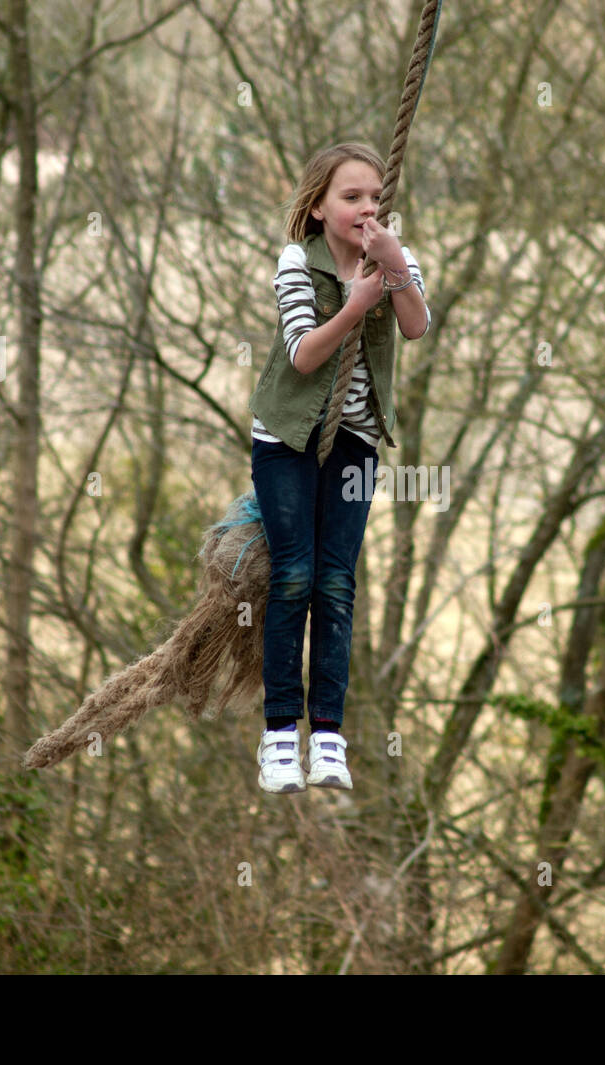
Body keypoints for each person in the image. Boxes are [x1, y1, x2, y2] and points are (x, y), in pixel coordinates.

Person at [247, 142, 430, 793]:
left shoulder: (393, 258)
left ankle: (327, 735)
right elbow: (301, 355)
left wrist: (395, 269)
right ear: (319, 206)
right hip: (287, 437)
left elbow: (414, 327)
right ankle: (278, 736)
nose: (367, 208)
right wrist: (353, 304)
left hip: (353, 441)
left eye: (375, 198)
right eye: (352, 197)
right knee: (293, 575)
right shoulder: (299, 262)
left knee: (336, 581)